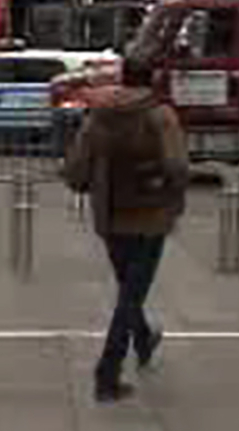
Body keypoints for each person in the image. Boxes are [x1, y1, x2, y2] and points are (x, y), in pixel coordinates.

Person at [62, 52, 189, 403]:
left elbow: (76, 168)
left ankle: (144, 338)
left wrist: (83, 184)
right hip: (150, 215)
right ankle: (107, 372)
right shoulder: (160, 115)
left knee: (128, 287)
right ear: (151, 79)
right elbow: (177, 165)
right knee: (132, 293)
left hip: (111, 214)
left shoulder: (101, 116)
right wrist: (173, 195)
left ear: (124, 77)